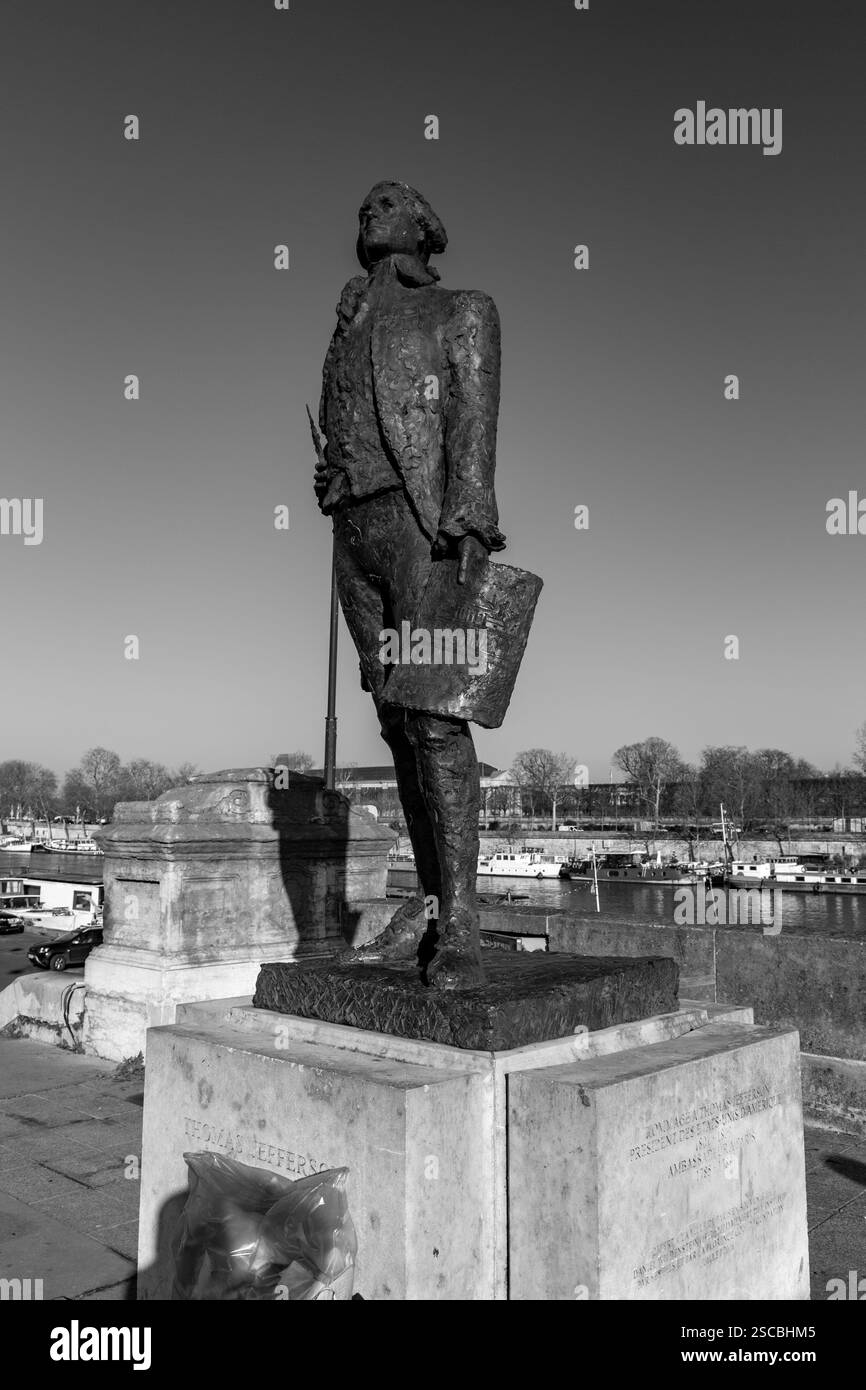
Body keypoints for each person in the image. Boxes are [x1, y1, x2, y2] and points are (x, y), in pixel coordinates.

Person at [315, 182, 506, 990]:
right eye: (363, 204)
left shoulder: (463, 308)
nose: (368, 209)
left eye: (387, 202)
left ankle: (462, 926)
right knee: (395, 718)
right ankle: (429, 902)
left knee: (433, 717)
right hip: (354, 530)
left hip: (420, 526)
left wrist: (469, 516)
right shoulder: (349, 318)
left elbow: (472, 414)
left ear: (425, 227)